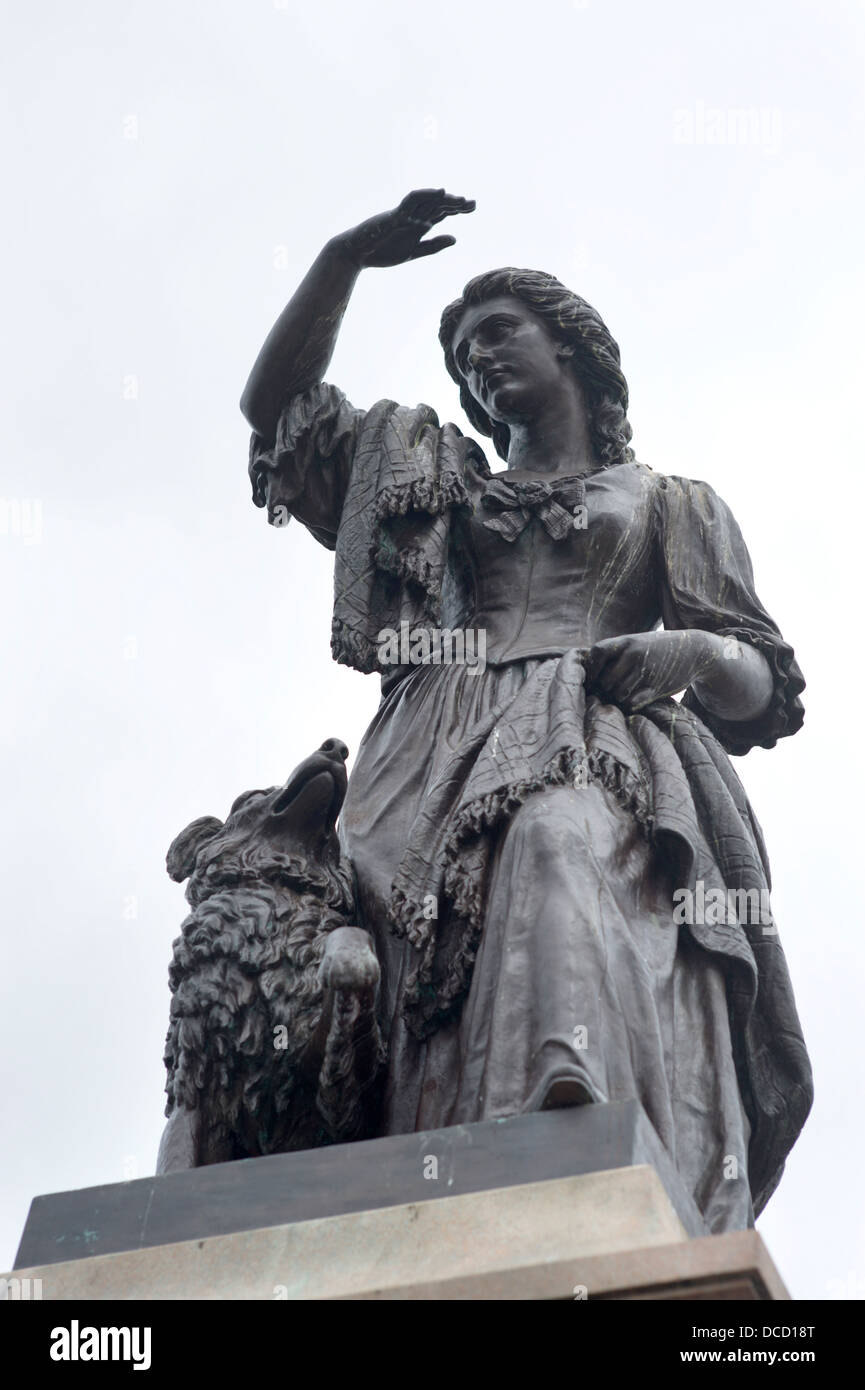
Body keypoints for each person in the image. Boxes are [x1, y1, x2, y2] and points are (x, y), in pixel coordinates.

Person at [241, 189, 812, 1232]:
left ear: (574, 347)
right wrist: (339, 262)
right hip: (425, 754)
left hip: (597, 733)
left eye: (500, 334)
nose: (476, 361)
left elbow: (764, 686)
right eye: (461, 354)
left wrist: (691, 648)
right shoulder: (439, 485)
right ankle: (415, 1182)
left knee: (558, 841)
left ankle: (568, 1118)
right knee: (374, 953)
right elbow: (274, 406)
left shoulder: (669, 502)